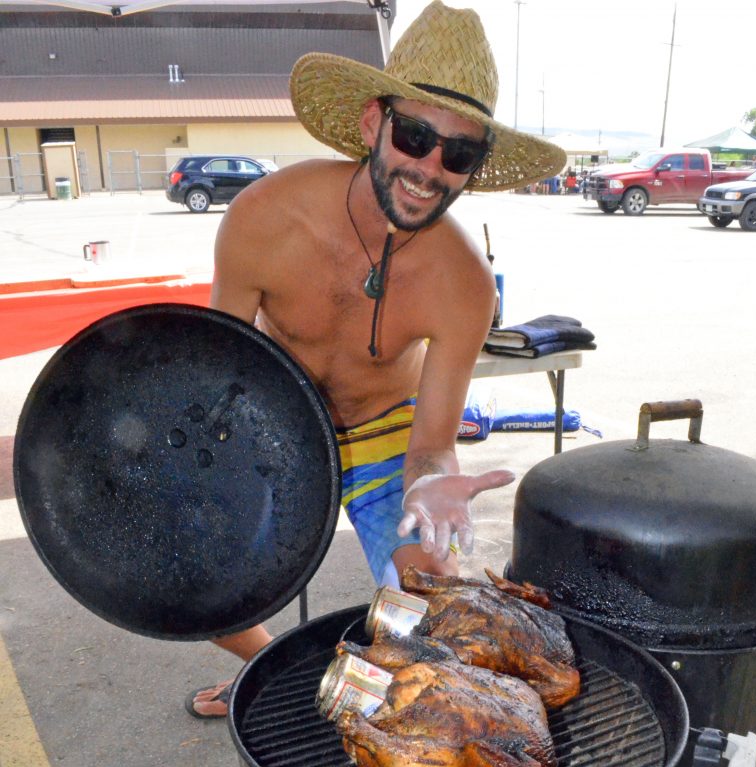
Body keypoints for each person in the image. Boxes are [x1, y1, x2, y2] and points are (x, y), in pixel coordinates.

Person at [187, 0, 565, 717]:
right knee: (195, 577)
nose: (429, 168)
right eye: (415, 135)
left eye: (457, 153)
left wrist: (435, 484)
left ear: (474, 170)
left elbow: (430, 447)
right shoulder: (263, 217)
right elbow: (217, 369)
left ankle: (360, 684)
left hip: (385, 425)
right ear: (373, 124)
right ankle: (270, 666)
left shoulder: (464, 285)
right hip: (273, 421)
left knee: (430, 604)